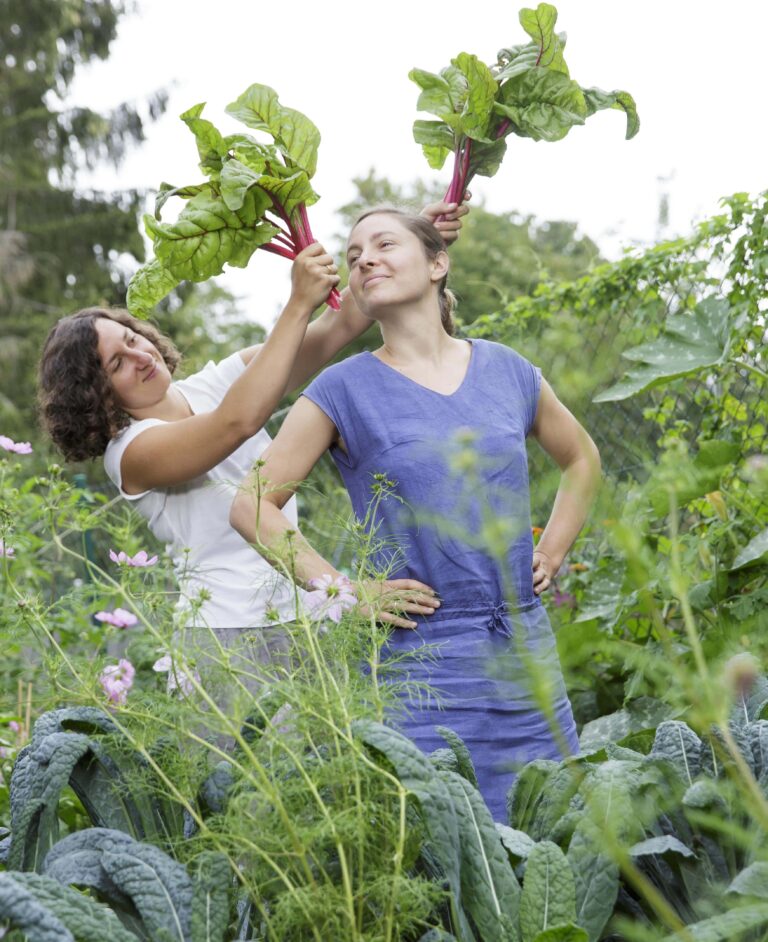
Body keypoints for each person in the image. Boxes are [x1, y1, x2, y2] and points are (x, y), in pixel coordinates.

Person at [229, 208, 602, 819]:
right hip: (416, 662)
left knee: (550, 831)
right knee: (439, 849)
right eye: (353, 257)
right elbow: (251, 505)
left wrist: (552, 551)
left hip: (523, 653)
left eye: (383, 244)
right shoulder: (338, 390)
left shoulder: (509, 370)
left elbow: (582, 459)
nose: (364, 259)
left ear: (437, 263)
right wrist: (347, 591)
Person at [37, 202, 467, 698]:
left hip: (304, 618)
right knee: (245, 778)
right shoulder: (131, 454)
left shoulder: (217, 381)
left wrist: (414, 244)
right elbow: (237, 422)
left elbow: (339, 328)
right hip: (225, 642)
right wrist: (297, 304)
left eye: (133, 337)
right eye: (117, 362)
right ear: (96, 394)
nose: (140, 355)